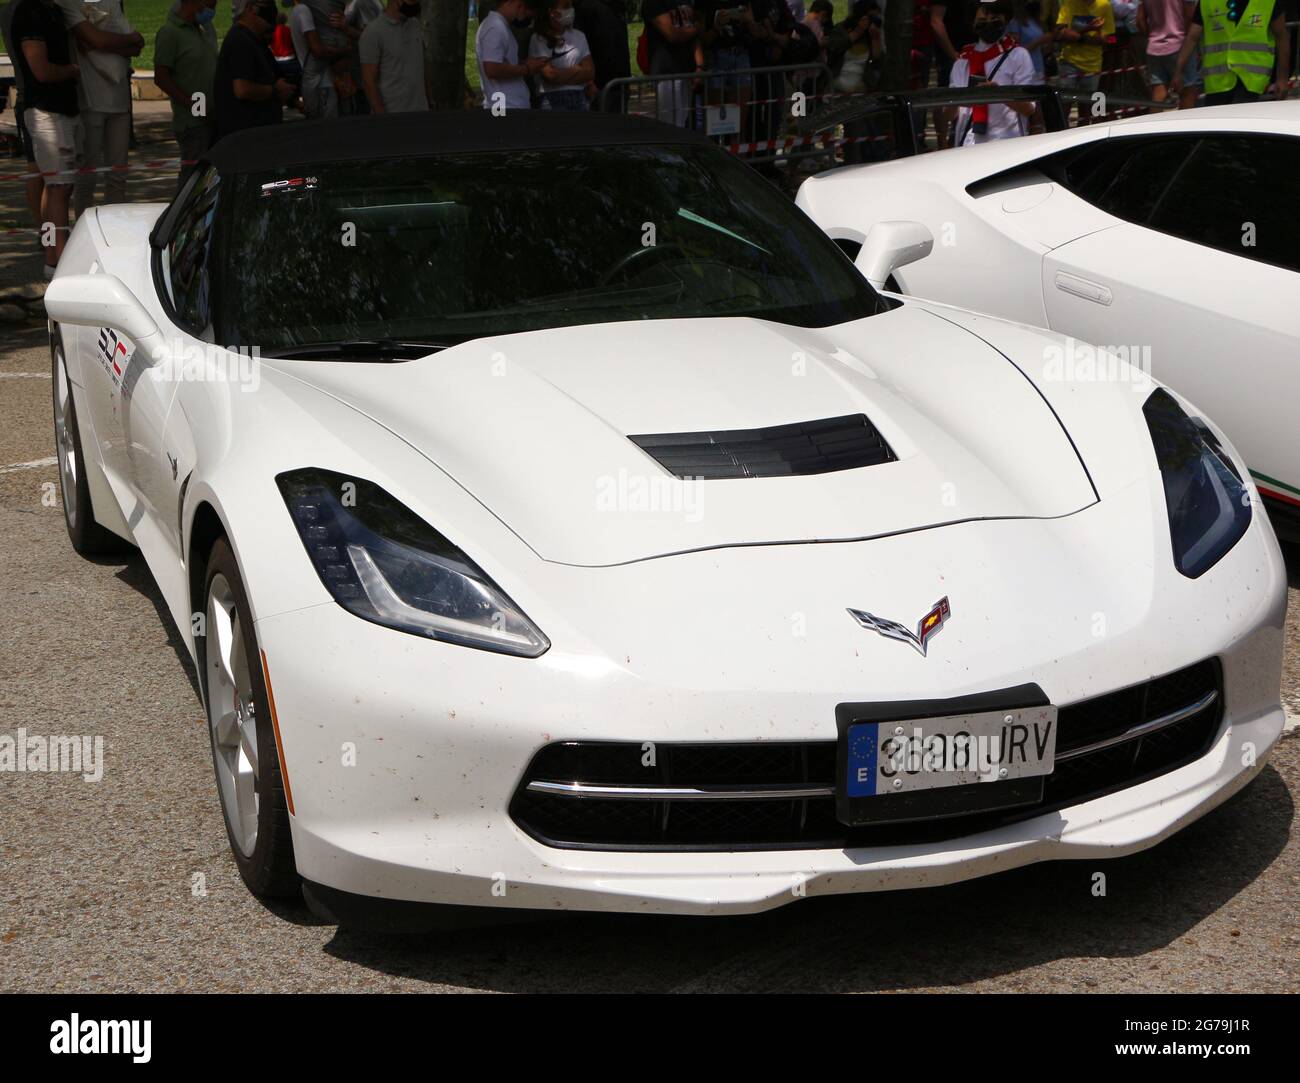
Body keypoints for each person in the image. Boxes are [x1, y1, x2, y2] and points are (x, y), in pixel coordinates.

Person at [55, 0, 144, 214]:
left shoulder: (111, 2)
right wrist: (113, 43)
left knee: (118, 175)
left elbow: (137, 43)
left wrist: (100, 42)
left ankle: (115, 228)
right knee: (87, 175)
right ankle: (83, 231)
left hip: (120, 101)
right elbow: (97, 39)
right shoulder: (68, 4)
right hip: (90, 101)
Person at [12, 0, 79, 278]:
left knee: (57, 188)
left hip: (61, 110)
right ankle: (58, 259)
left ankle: (53, 255)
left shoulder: (52, 10)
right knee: (59, 187)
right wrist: (73, 71)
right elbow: (40, 69)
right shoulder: (30, 14)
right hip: (46, 112)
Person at [946, 0, 1036, 145]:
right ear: (973, 24)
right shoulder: (962, 62)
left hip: (1008, 142)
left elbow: (1029, 109)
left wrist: (998, 93)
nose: (989, 24)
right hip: (969, 144)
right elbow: (949, 115)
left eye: (995, 20)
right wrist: (960, 98)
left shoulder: (1018, 55)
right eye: (982, 20)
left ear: (1005, 19)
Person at [1173, 0, 1290, 104]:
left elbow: (1281, 36)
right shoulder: (1207, 2)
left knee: (1240, 123)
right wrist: (1178, 71)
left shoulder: (1268, 2)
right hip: (1217, 82)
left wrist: (1282, 78)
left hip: (1251, 81)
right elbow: (1192, 37)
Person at [155, 0, 219, 185]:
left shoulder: (203, 30)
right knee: (193, 180)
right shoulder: (170, 33)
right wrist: (195, 106)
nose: (211, 11)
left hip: (212, 119)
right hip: (192, 124)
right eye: (210, 5)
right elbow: (161, 77)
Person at [213, 0, 296, 143]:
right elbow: (242, 90)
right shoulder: (240, 41)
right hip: (247, 140)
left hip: (257, 137)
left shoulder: (255, 41)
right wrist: (275, 91)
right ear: (251, 8)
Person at [1, 0, 46, 233]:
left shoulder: (12, 10)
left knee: (38, 170)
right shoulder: (27, 11)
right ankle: (47, 233)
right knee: (48, 175)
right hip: (39, 101)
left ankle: (45, 232)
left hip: (29, 97)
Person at [359, 0, 428, 112]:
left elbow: (421, 67)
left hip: (420, 112)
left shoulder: (415, 25)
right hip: (393, 115)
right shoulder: (373, 33)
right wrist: (382, 116)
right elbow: (368, 81)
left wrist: (429, 101)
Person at [1053, 0, 1115, 123]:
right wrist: (1089, 29)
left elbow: (1110, 38)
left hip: (1092, 65)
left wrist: (1079, 36)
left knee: (1086, 109)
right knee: (1064, 104)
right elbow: (1060, 32)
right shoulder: (1069, 3)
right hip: (1068, 62)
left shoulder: (1105, 5)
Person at [640, 0, 701, 126]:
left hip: (687, 73)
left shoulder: (686, 2)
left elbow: (694, 40)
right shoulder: (653, 3)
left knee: (683, 120)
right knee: (669, 124)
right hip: (666, 74)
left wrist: (700, 66)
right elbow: (672, 34)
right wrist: (697, 28)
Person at [477, 0, 545, 110]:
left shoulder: (501, 26)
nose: (523, 17)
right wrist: (527, 69)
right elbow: (492, 68)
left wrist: (524, 63)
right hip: (504, 107)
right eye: (524, 11)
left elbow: (503, 62)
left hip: (511, 106)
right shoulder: (495, 27)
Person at [530, 0, 594, 109]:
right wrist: (577, 70)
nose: (571, 10)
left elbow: (589, 72)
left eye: (571, 5)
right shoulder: (539, 39)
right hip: (550, 99)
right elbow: (550, 75)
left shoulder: (579, 36)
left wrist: (560, 76)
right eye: (566, 6)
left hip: (579, 97)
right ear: (552, 12)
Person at [290, 0, 349, 117]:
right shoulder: (303, 10)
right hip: (320, 83)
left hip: (319, 80)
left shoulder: (299, 11)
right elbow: (318, 50)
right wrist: (346, 50)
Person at [573, 0, 630, 109]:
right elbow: (578, 46)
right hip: (598, 86)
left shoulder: (617, 6)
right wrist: (589, 83)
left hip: (620, 84)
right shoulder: (585, 7)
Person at [1008, 0, 1052, 83]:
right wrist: (1039, 41)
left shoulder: (1036, 22)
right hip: (1023, 72)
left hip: (1039, 69)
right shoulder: (1015, 23)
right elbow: (1014, 52)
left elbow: (1043, 50)